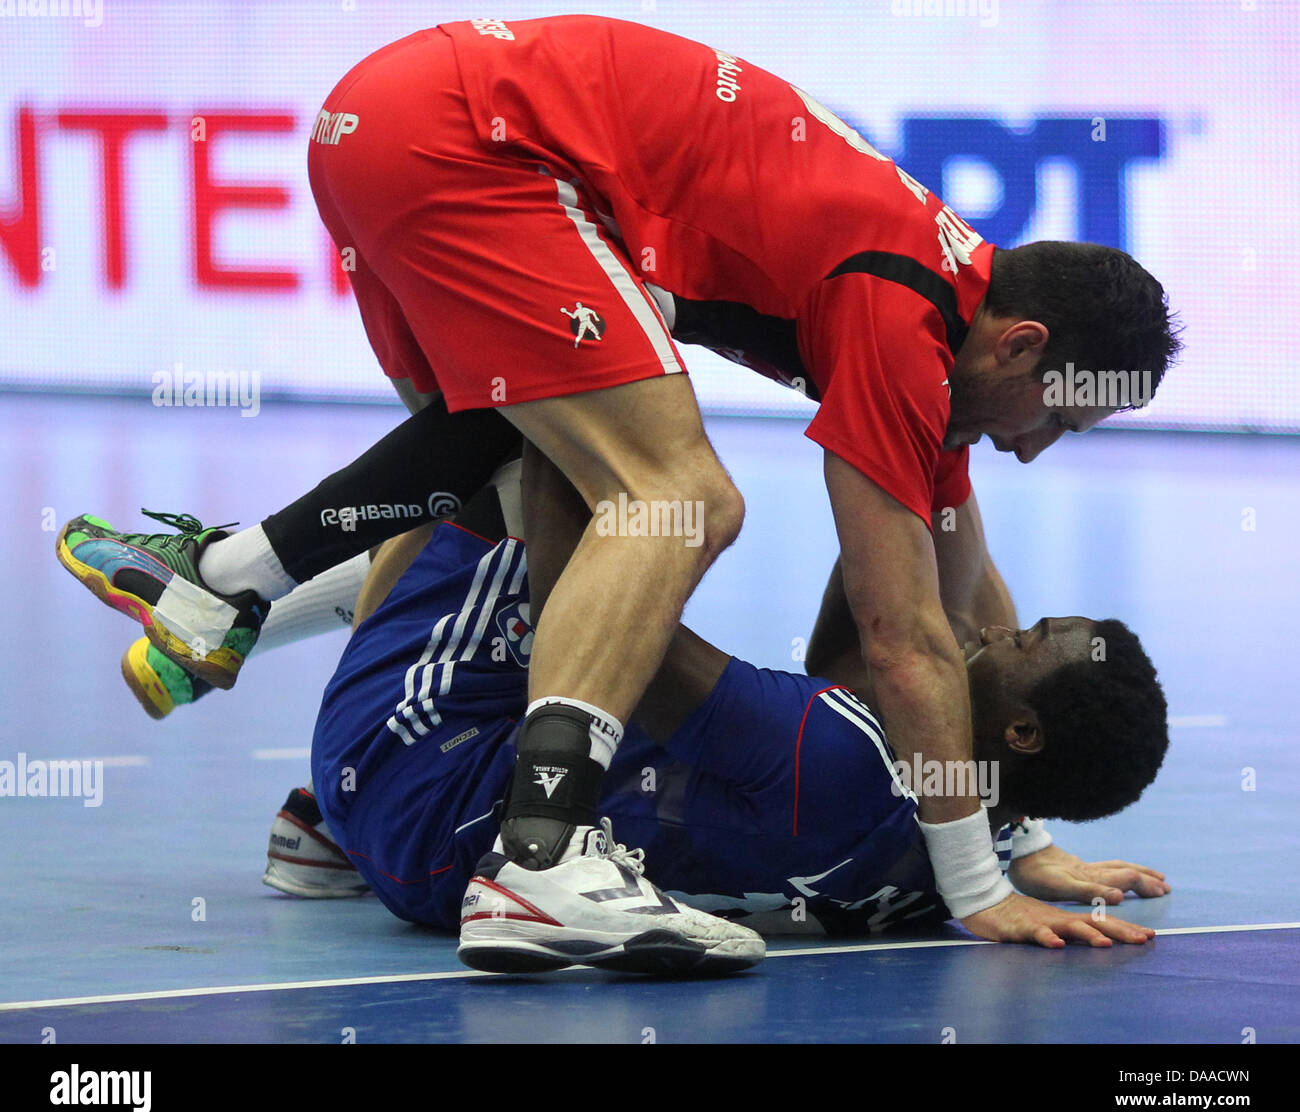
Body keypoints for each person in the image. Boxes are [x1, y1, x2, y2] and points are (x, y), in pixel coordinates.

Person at [56, 14, 1182, 962]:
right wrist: (978, 883)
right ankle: (539, 859)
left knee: (511, 456)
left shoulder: (933, 302)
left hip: (379, 122)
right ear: (1021, 350)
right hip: (476, 141)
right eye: (1061, 418)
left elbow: (958, 585)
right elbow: (906, 641)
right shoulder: (900, 317)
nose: (1036, 449)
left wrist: (1020, 825)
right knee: (672, 495)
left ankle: (224, 582)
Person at [258, 451, 1168, 972]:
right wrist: (933, 441)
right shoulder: (936, 860)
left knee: (552, 446)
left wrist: (598, 455)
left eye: (1025, 639)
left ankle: (237, 596)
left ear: (1021, 732)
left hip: (405, 764)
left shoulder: (835, 748)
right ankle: (322, 830)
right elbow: (893, 616)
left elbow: (605, 619)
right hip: (435, 869)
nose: (993, 631)